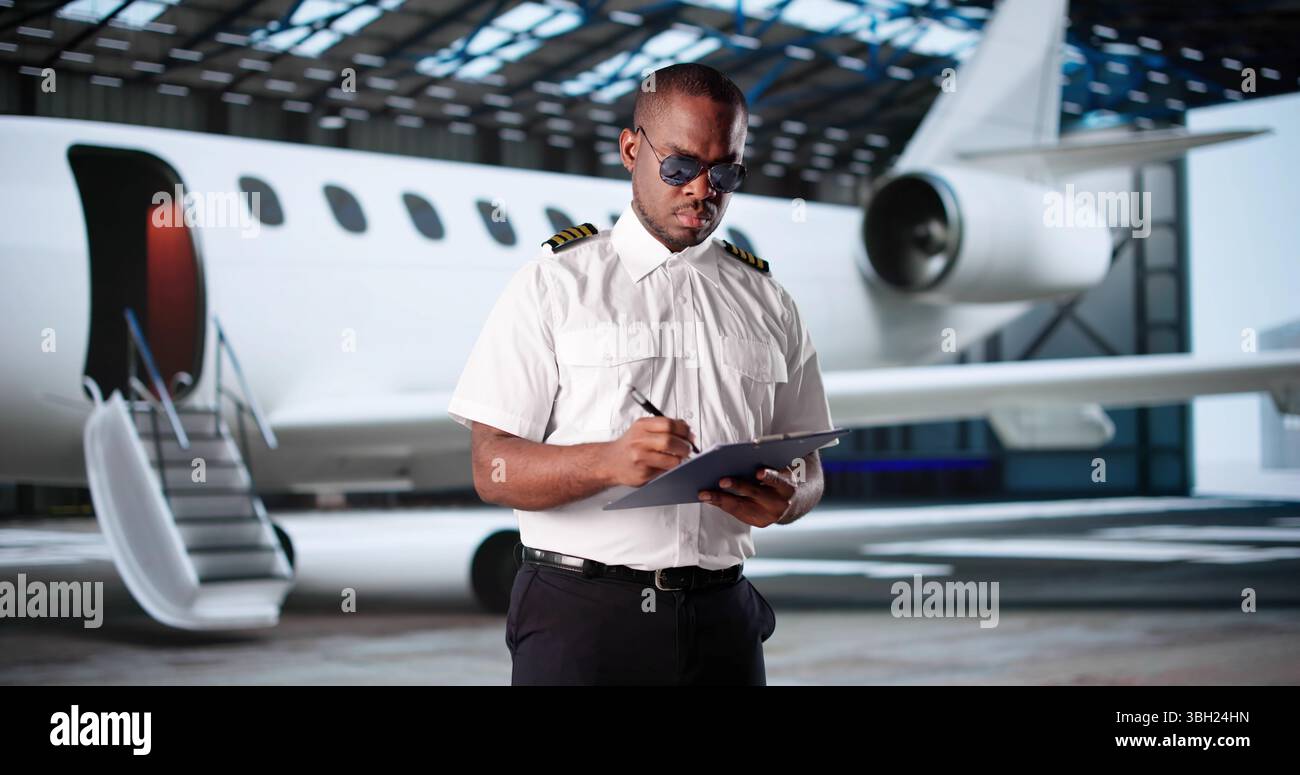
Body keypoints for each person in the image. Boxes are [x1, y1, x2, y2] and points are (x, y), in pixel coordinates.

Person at [447, 62, 837, 685]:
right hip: (582, 619)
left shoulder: (771, 304)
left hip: (722, 619)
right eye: (680, 166)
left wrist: (789, 498)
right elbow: (490, 468)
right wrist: (604, 463)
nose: (702, 189)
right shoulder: (555, 284)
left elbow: (809, 463)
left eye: (726, 171)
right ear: (631, 149)